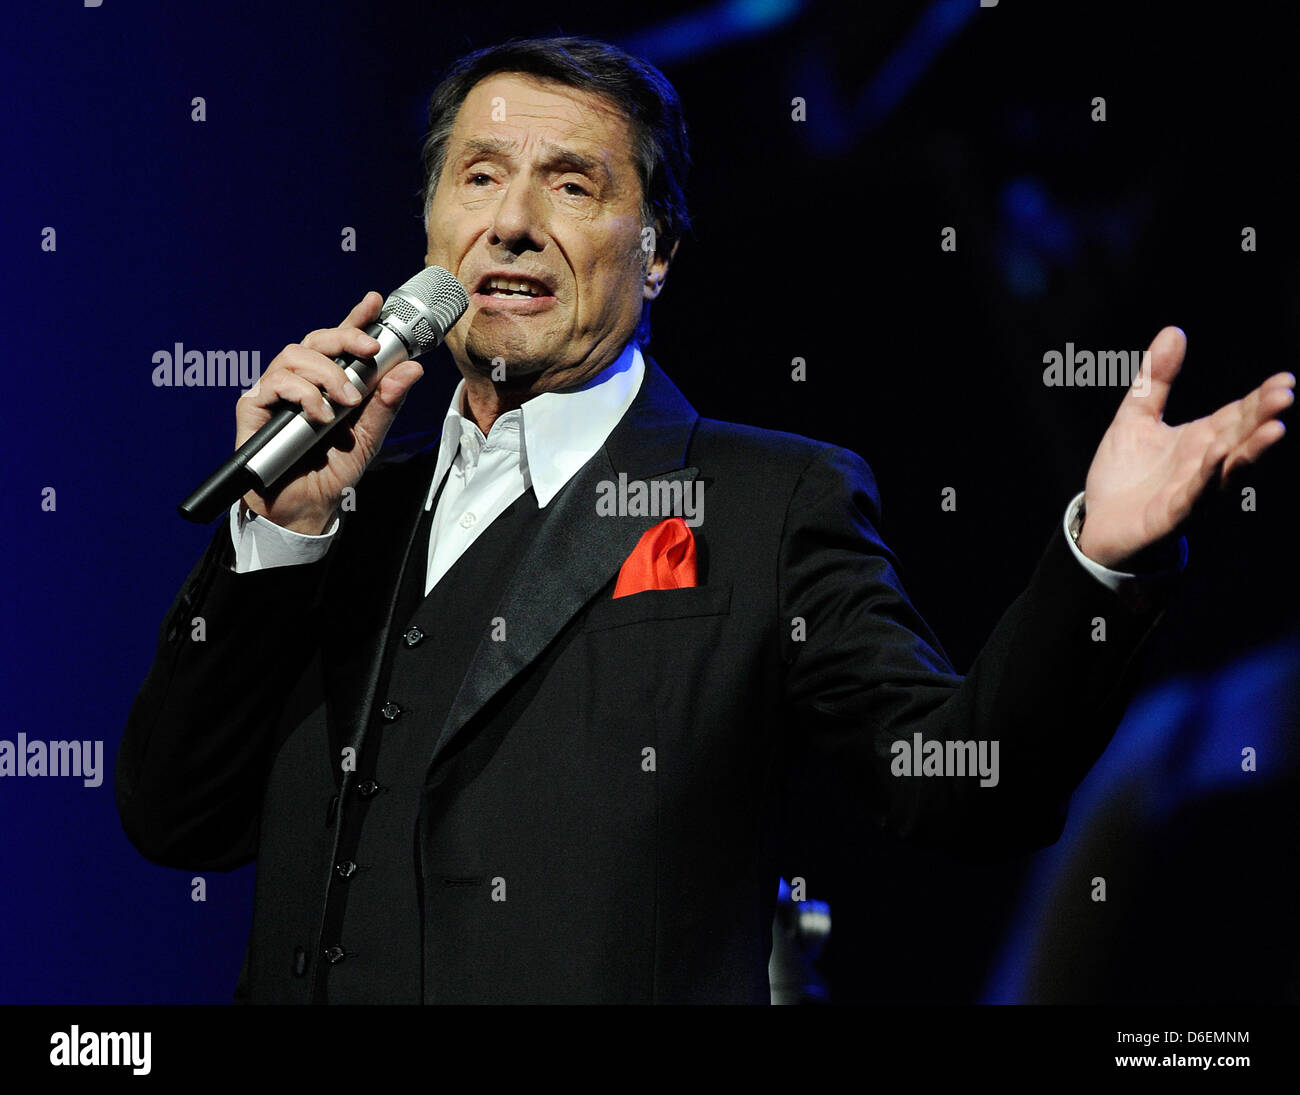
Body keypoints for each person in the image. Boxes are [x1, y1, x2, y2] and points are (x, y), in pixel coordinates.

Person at [116, 35, 1294, 1004]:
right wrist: (277, 542)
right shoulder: (339, 512)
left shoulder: (768, 502)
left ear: (659, 251)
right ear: (430, 223)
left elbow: (960, 788)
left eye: (572, 184)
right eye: (477, 176)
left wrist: (1097, 562)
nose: (512, 222)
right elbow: (177, 820)